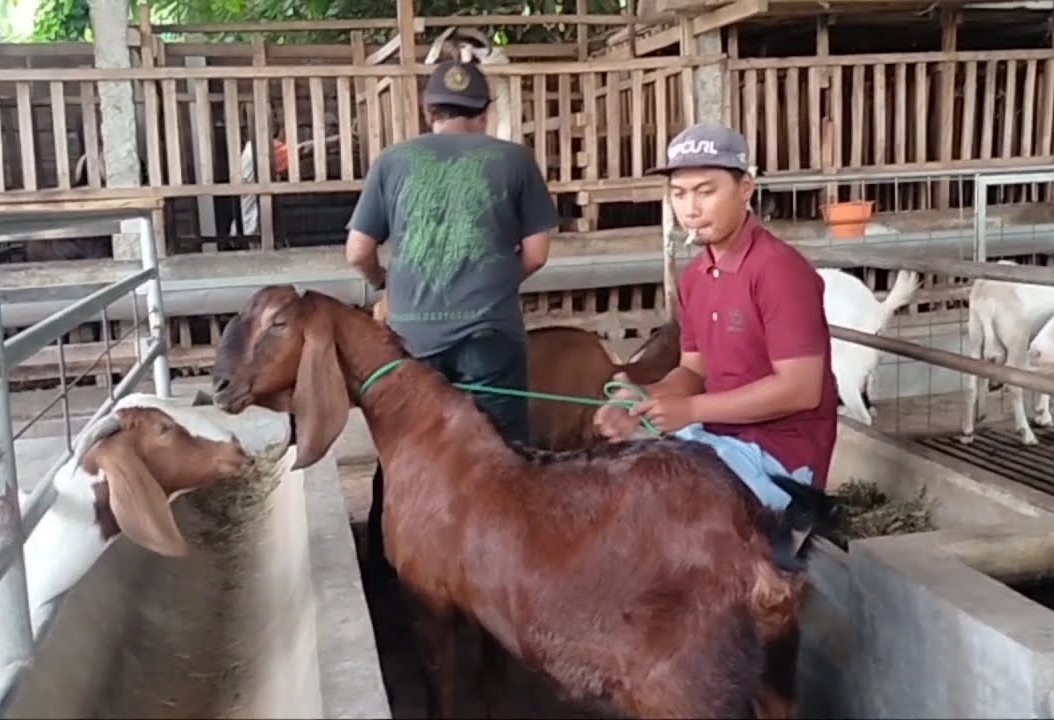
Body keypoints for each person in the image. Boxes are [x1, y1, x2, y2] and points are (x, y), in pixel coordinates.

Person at [345, 58, 561, 574]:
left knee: (406, 456)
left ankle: (397, 570)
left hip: (412, 340)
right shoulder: (514, 160)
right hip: (491, 335)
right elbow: (537, 253)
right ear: (486, 113)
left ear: (428, 111)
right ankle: (505, 573)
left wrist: (387, 285)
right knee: (501, 458)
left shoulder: (393, 161)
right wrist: (493, 285)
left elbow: (357, 250)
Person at [594, 123, 840, 504]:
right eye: (679, 194)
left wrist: (690, 409)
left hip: (779, 458)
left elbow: (801, 389)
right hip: (715, 439)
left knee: (652, 506)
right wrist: (644, 402)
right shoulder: (694, 278)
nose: (690, 209)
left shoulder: (779, 270)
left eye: (706, 191)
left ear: (745, 189)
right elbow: (694, 371)